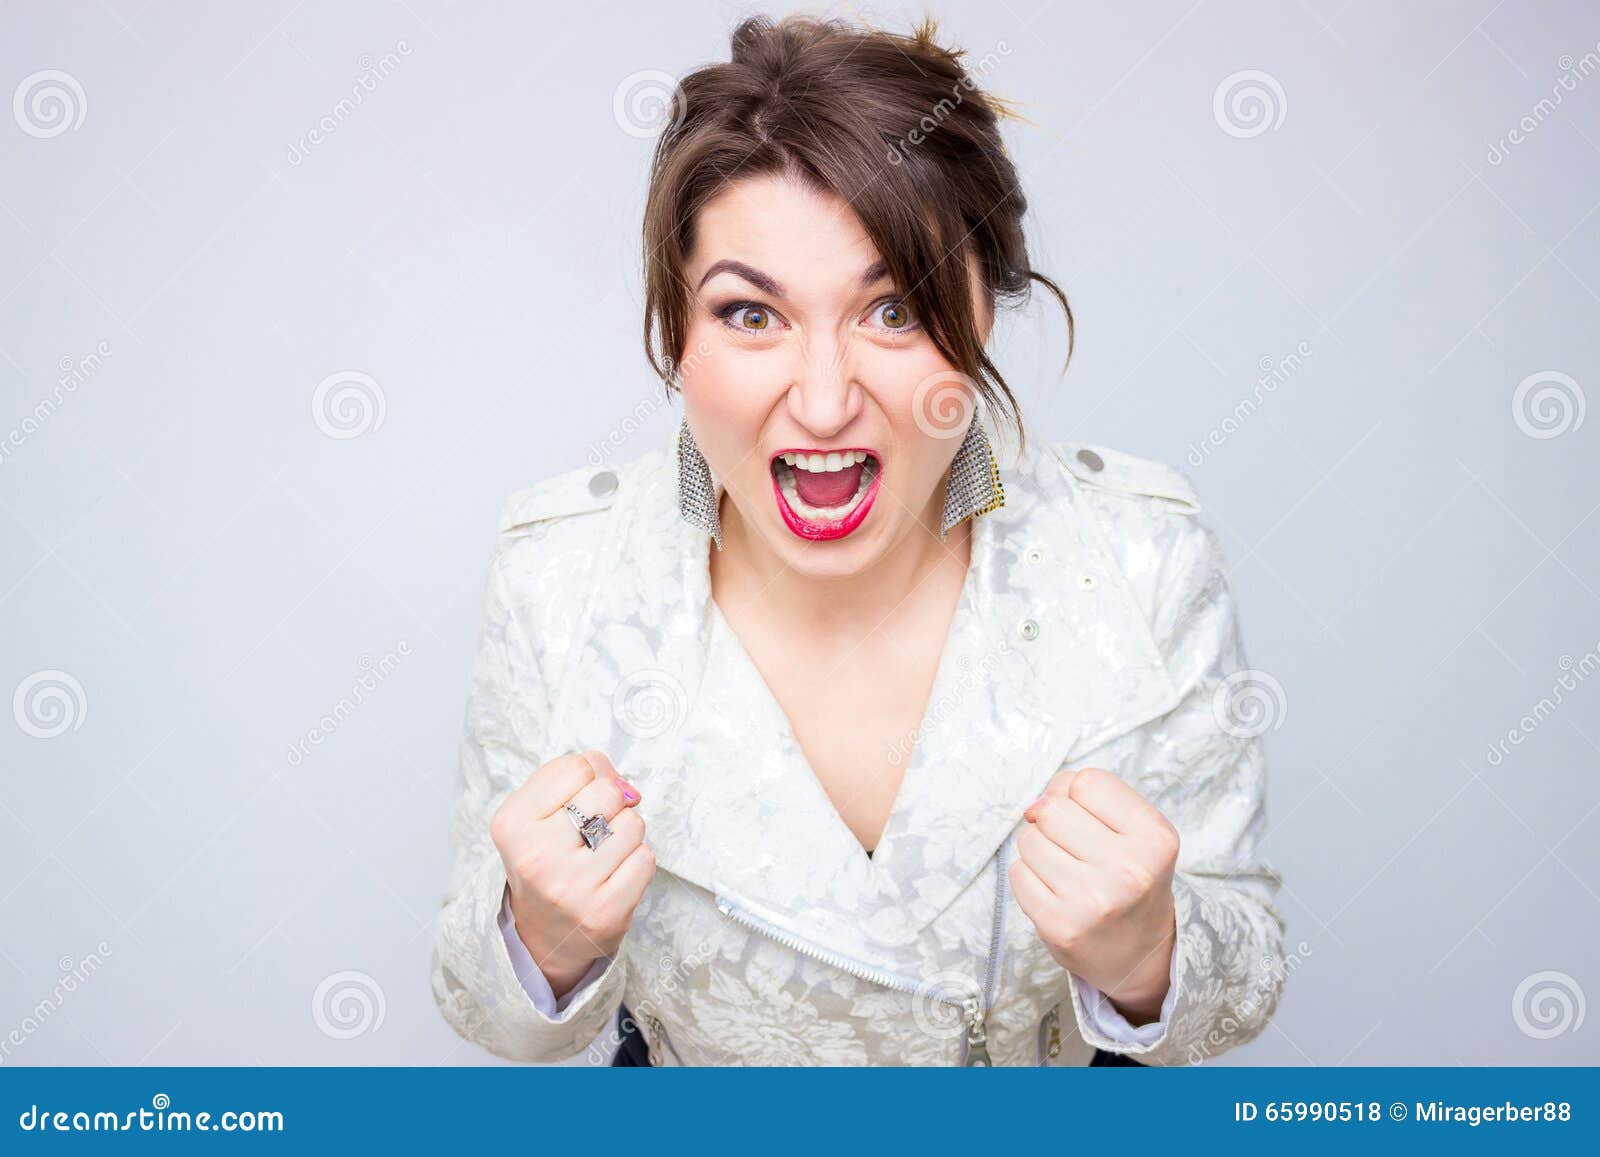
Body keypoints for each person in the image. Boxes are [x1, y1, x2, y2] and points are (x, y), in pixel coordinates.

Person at [430, 12, 1286, 1066]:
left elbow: (1241, 978)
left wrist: (1148, 954)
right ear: (676, 333)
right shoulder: (559, 579)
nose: (826, 401)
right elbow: (483, 1004)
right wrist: (543, 942)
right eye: (751, 315)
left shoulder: (1139, 559)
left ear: (980, 316)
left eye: (894, 310)